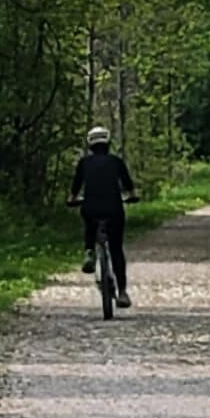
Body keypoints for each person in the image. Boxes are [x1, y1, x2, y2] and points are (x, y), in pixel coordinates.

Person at [68, 126, 139, 308]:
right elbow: (128, 184)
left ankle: (89, 251)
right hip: (114, 209)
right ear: (108, 143)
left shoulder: (84, 163)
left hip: (90, 207)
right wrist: (131, 196)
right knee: (116, 249)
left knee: (89, 222)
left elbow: (75, 187)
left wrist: (72, 199)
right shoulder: (116, 162)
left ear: (90, 145)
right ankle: (122, 292)